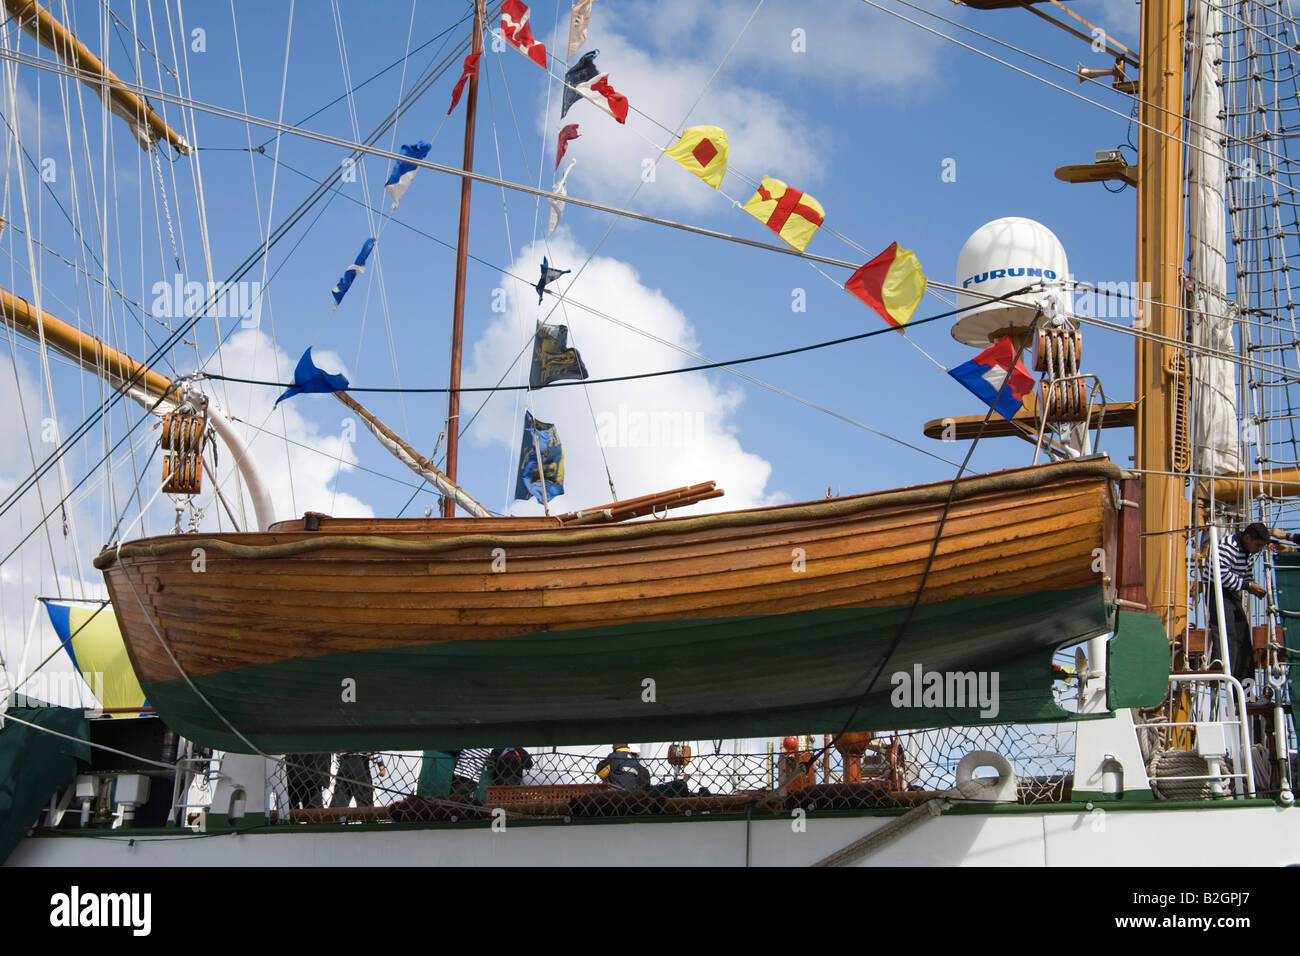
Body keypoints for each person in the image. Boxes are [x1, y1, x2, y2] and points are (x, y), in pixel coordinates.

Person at [1208, 522, 1269, 689]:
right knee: (1226, 630)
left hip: (1232, 591)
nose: (1259, 549)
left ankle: (1246, 690)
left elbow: (1246, 574)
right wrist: (1248, 586)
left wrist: (1252, 586)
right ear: (1247, 538)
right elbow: (1218, 573)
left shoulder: (1247, 552)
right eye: (1258, 545)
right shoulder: (1228, 546)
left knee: (1243, 637)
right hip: (1217, 589)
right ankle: (1220, 665)